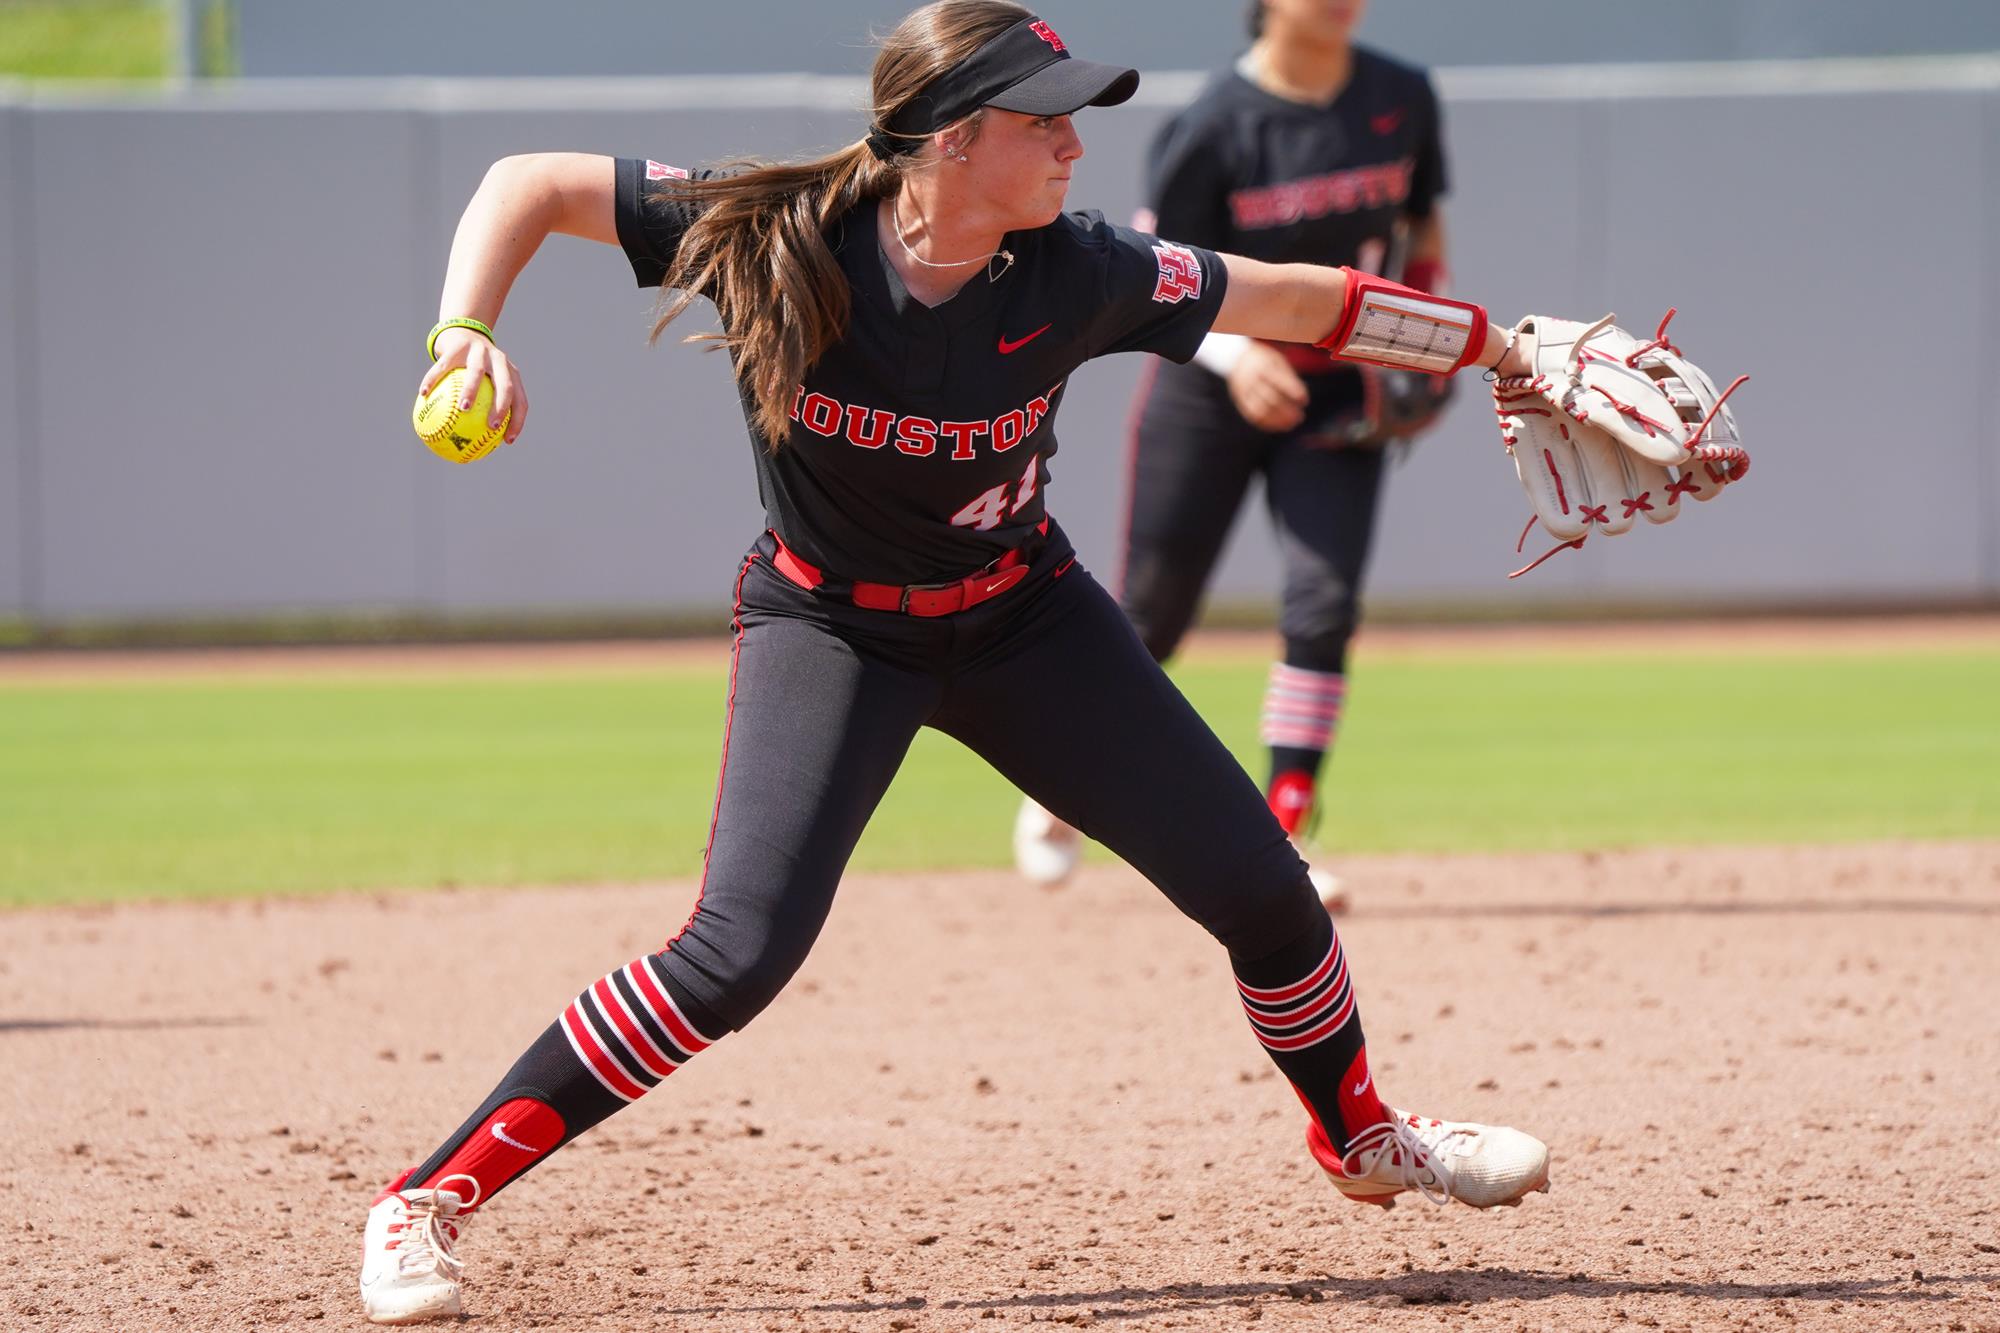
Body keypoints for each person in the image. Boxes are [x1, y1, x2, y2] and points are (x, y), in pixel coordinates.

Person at [359, 4, 1553, 1324]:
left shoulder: (1083, 268)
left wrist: (1507, 349)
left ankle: (1360, 1133)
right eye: (1044, 122)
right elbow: (521, 184)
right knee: (734, 956)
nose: (1074, 147)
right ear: (948, 139)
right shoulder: (772, 234)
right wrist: (461, 331)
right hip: (832, 627)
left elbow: (1300, 299)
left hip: (1020, 619)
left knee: (1265, 895)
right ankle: (424, 1198)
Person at [1012, 0, 1451, 909]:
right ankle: (1060, 783)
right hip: (1207, 387)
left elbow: (1422, 237)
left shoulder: (1401, 95)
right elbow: (1152, 277)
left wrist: (1426, 341)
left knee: (1323, 605)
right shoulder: (1212, 124)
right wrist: (1235, 351)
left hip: (1338, 390)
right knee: (1151, 616)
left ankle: (1283, 835)